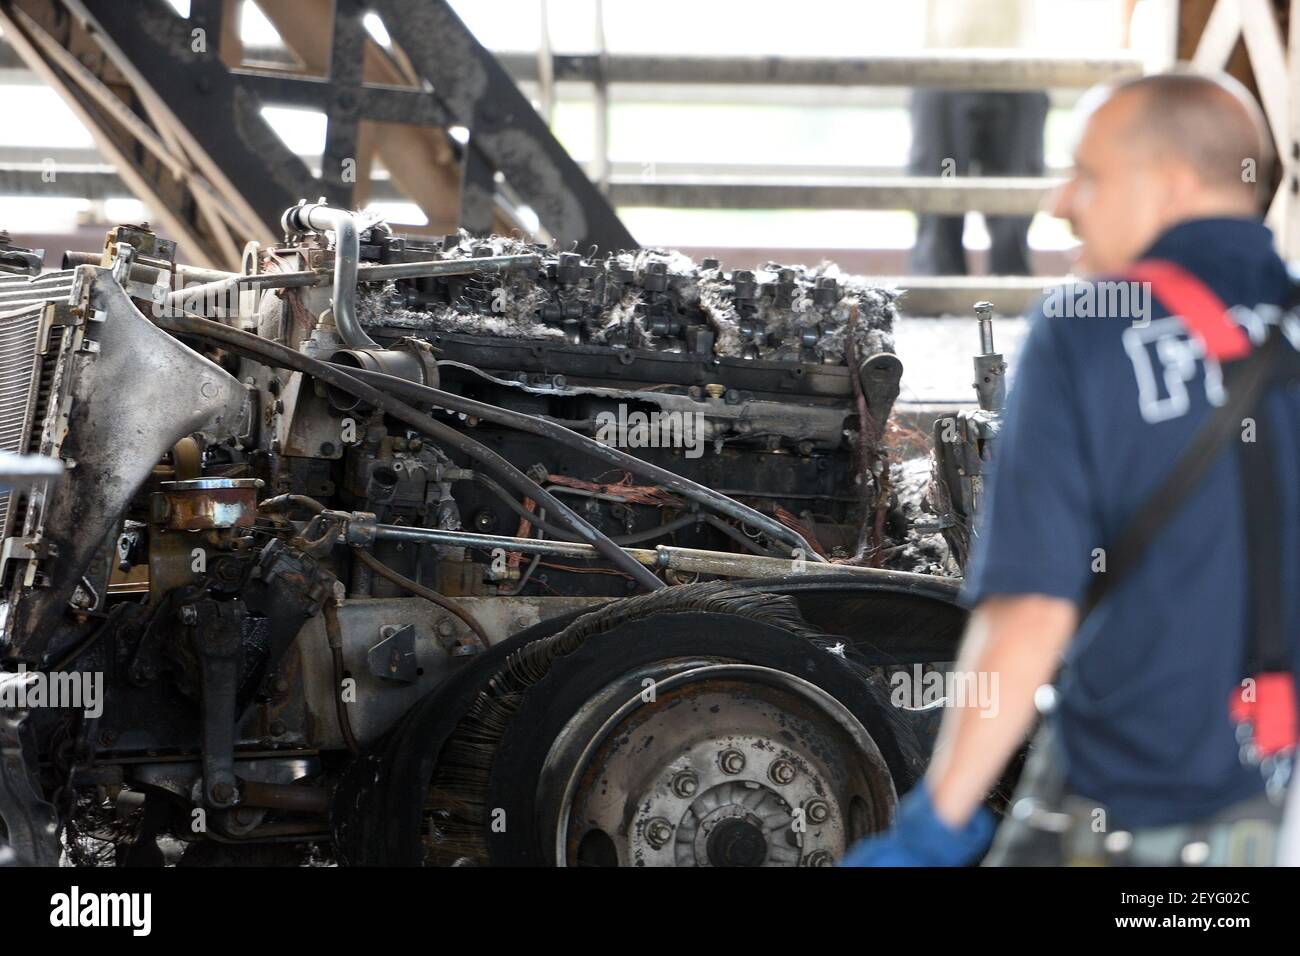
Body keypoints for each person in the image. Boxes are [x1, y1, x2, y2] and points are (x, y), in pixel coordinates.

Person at [843, 69, 1300, 866]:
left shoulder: (1084, 331)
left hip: (1123, 812)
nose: (1061, 203)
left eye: (1088, 174)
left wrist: (933, 827)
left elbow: (1029, 618)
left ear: (1167, 185)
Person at [909, 0, 1047, 276]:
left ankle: (1011, 296)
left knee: (1014, 192)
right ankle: (938, 293)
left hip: (1018, 69)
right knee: (942, 184)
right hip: (942, 68)